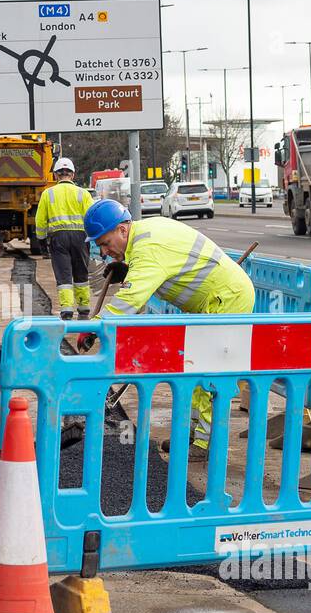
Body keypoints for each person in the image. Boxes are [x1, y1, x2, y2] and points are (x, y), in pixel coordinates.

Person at [82, 198, 255, 457]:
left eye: (105, 244)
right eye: (100, 247)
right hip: (213, 303)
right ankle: (193, 434)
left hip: (226, 300)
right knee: (196, 371)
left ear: (123, 229)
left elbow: (130, 300)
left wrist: (95, 327)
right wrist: (128, 268)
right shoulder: (144, 238)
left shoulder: (149, 246)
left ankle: (204, 444)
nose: (104, 252)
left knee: (211, 375)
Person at [34, 157, 94, 319]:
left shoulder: (48, 194)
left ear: (56, 175)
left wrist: (41, 242)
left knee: (63, 274)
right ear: (73, 175)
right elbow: (91, 218)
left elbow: (40, 221)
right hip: (81, 238)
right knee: (81, 273)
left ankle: (67, 309)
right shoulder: (83, 194)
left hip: (58, 238)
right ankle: (83, 307)